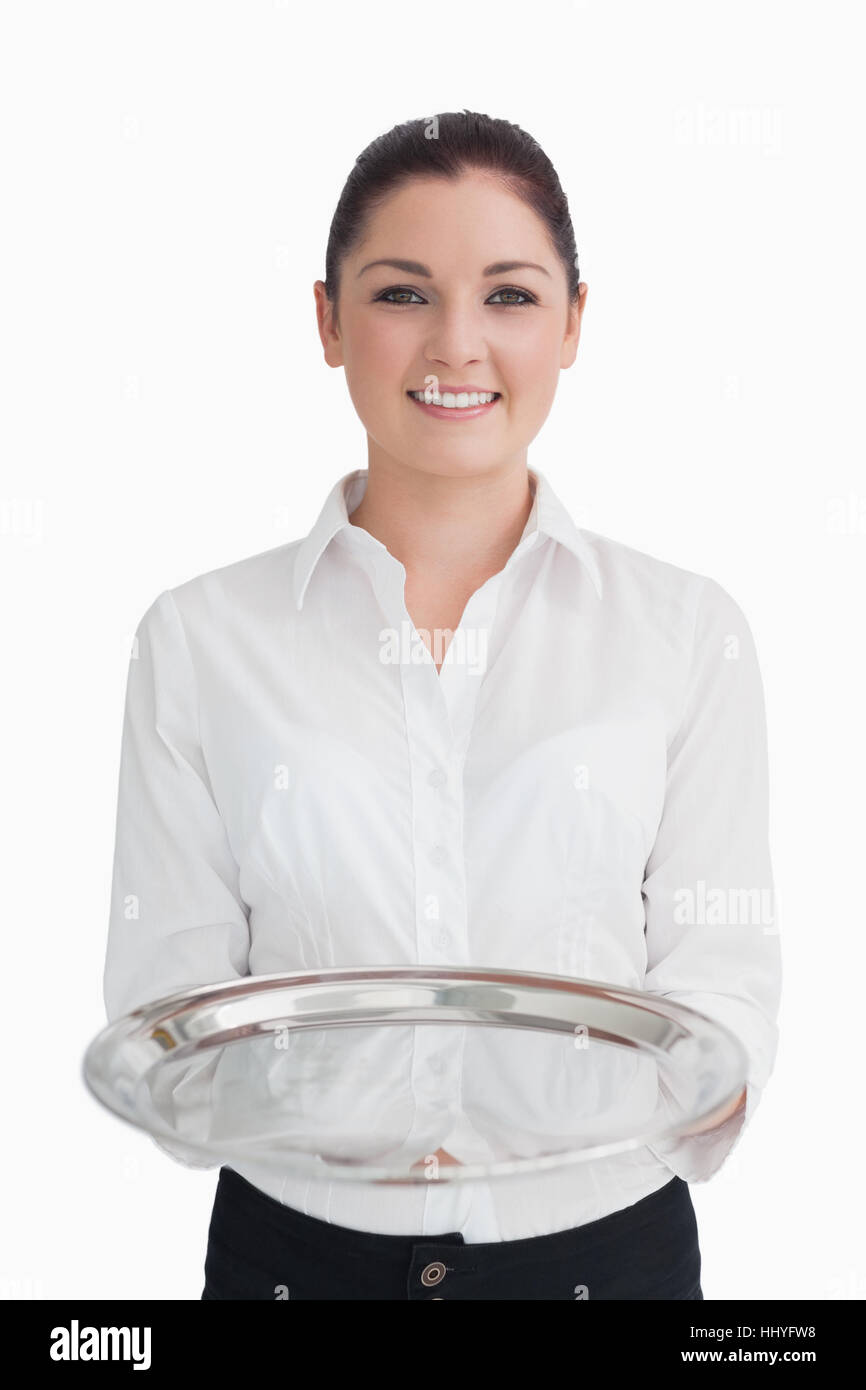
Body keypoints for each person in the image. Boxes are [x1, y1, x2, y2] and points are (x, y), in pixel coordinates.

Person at [102, 110, 781, 1300]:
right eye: (402, 293)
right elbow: (170, 1006)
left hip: (601, 1256)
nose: (455, 344)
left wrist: (681, 1090)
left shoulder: (684, 634)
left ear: (573, 322)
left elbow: (720, 977)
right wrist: (352, 1138)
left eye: (509, 296)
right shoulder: (200, 640)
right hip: (294, 1260)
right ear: (327, 320)